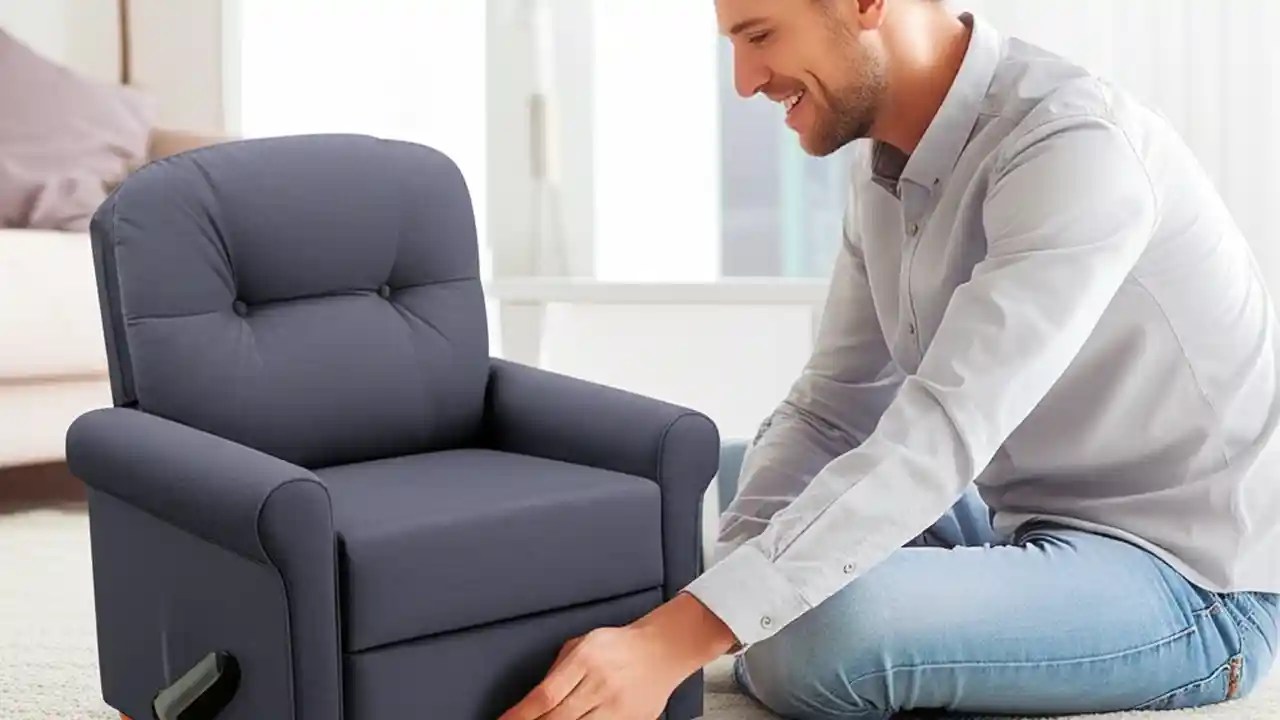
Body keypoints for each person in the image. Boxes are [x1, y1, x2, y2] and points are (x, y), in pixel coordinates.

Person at [500, 0, 1280, 717]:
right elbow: (830, 410)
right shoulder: (886, 165)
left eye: (759, 34)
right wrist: (719, 597)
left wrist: (682, 639)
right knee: (709, 475)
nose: (742, 82)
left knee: (817, 637)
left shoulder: (1072, 145)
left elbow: (942, 429)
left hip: (1188, 580)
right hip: (1014, 517)